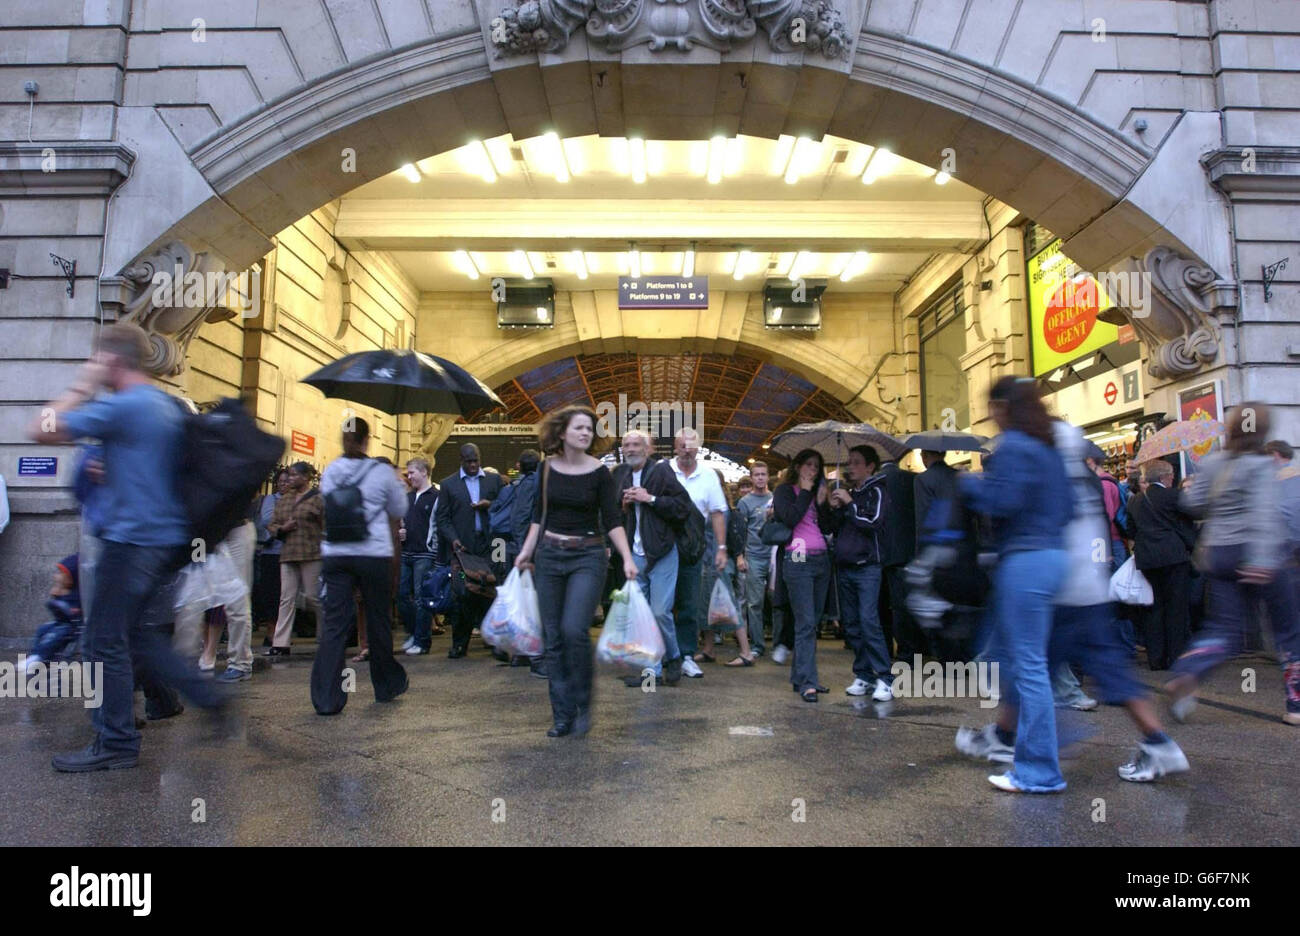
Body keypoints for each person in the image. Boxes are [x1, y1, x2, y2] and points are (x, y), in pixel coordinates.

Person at [29, 323, 223, 772]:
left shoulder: (125, 405)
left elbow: (41, 427)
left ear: (111, 361)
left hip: (128, 540)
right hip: (160, 540)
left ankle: (115, 741)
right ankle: (205, 693)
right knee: (132, 633)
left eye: (99, 358)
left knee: (102, 641)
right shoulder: (164, 405)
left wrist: (82, 383)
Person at [958, 418, 1189, 782]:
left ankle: (1035, 752)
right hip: (1089, 590)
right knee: (1102, 672)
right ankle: (1159, 743)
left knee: (1024, 668)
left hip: (1058, 593)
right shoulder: (1083, 479)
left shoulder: (1049, 479)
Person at [956, 376, 1074, 793]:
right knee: (1019, 661)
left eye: (992, 407)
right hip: (1054, 558)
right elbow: (1069, 508)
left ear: (1004, 407)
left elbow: (1002, 504)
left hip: (1024, 561)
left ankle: (1039, 770)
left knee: (1027, 668)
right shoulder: (1048, 449)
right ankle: (1023, 743)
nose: (991, 416)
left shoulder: (1014, 448)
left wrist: (972, 486)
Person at [1167, 403, 1300, 726]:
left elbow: (1192, 503)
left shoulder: (1213, 463)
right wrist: (1262, 559)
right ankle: (1296, 704)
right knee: (1288, 630)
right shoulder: (1261, 465)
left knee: (1224, 630)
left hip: (1219, 553)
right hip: (1258, 552)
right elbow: (1265, 512)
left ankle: (1188, 672)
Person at [513, 405, 637, 738]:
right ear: (562, 432)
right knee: (553, 639)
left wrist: (626, 557)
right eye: (579, 427)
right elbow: (538, 517)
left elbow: (612, 520)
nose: (585, 433)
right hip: (550, 557)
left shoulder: (600, 473)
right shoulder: (546, 469)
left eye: (589, 429)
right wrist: (525, 552)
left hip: (588, 556)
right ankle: (562, 715)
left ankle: (584, 700)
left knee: (573, 630)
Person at [311, 417, 409, 715]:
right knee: (378, 620)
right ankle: (385, 685)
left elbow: (327, 505)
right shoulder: (380, 472)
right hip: (373, 554)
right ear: (367, 440)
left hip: (336, 554)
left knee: (335, 624)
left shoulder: (331, 471)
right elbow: (399, 509)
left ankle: (328, 699)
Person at [612, 428, 693, 687]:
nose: (631, 449)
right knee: (642, 616)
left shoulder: (661, 471)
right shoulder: (621, 474)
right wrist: (623, 505)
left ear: (648, 449)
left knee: (659, 612)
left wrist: (651, 498)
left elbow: (683, 506)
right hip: (635, 553)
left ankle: (674, 656)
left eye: (637, 444)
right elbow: (614, 512)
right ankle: (653, 670)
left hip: (662, 552)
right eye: (627, 444)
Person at [772, 448, 837, 702]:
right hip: (797, 558)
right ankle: (808, 681)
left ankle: (801, 677)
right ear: (798, 467)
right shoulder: (784, 491)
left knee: (812, 622)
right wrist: (808, 492)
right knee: (806, 622)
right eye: (808, 465)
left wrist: (825, 505)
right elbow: (789, 518)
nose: (813, 470)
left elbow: (830, 527)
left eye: (817, 466)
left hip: (821, 559)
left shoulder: (818, 494)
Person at [829, 445, 892, 700]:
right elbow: (835, 528)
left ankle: (885, 677)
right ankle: (864, 674)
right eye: (849, 462)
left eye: (856, 463)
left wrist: (851, 504)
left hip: (867, 567)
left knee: (869, 621)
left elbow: (873, 523)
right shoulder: (849, 493)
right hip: (845, 566)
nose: (850, 467)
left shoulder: (877, 491)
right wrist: (833, 507)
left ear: (870, 467)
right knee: (852, 624)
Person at [668, 427, 729, 679]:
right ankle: (661, 655)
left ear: (698, 448)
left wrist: (722, 548)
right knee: (661, 605)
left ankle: (686, 656)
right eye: (682, 444)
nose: (686, 448)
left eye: (691, 444)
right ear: (675, 447)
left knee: (689, 605)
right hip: (663, 548)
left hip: (693, 549)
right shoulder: (663, 471)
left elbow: (717, 512)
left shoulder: (708, 476)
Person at [1124, 458, 1197, 670]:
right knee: (1176, 608)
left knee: (1153, 608)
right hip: (1173, 556)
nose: (1173, 478)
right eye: (1172, 475)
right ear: (1164, 477)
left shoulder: (1135, 501)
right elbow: (1192, 515)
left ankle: (1156, 659)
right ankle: (1176, 657)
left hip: (1147, 559)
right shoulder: (1173, 496)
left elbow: (1130, 531)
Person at [435, 443, 505, 659]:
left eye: (476, 460)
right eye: (469, 461)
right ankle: (459, 644)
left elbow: (505, 509)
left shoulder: (494, 481)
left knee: (492, 592)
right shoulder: (449, 485)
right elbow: (442, 518)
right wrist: (453, 540)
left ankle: (496, 643)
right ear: (461, 460)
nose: (473, 465)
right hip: (463, 553)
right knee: (462, 593)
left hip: (492, 549)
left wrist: (489, 505)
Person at [266, 461, 324, 657]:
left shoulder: (317, 499)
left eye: (293, 475)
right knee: (286, 598)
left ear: (306, 477)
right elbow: (272, 524)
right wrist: (282, 529)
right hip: (288, 553)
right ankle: (280, 643)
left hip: (311, 552)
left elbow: (325, 525)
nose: (289, 479)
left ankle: (326, 636)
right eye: (289, 475)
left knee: (313, 597)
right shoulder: (285, 499)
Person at [699, 470, 756, 666]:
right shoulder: (708, 504)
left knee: (729, 605)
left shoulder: (722, 508)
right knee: (705, 605)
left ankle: (746, 652)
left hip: (719, 563)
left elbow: (733, 537)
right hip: (707, 562)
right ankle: (708, 649)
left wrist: (738, 557)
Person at [876, 451, 920, 660]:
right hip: (908, 552)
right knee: (904, 605)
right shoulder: (913, 480)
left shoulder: (873, 482)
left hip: (880, 552)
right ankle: (909, 651)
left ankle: (885, 648)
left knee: (882, 605)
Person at [398, 457, 439, 655]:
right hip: (406, 552)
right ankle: (414, 633)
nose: (409, 476)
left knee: (422, 597)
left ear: (424, 472)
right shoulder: (407, 498)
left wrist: (435, 550)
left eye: (412, 472)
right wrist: (401, 532)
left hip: (425, 554)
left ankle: (422, 641)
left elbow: (438, 525)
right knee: (401, 594)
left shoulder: (436, 497)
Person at [736, 461, 775, 658]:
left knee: (777, 601)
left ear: (768, 477)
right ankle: (758, 645)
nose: (760, 478)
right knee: (754, 603)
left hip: (775, 556)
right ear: (751, 478)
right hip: (754, 557)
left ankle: (779, 643)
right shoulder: (744, 503)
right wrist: (740, 557)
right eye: (756, 474)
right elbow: (739, 533)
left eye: (763, 474)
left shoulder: (776, 499)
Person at [253, 469, 290, 637]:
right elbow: (267, 520)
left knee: (286, 594)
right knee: (271, 592)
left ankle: (281, 634)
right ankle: (270, 630)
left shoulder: (297, 500)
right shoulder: (270, 499)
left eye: (286, 481)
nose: (283, 484)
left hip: (289, 552)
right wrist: (286, 526)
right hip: (271, 551)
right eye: (280, 481)